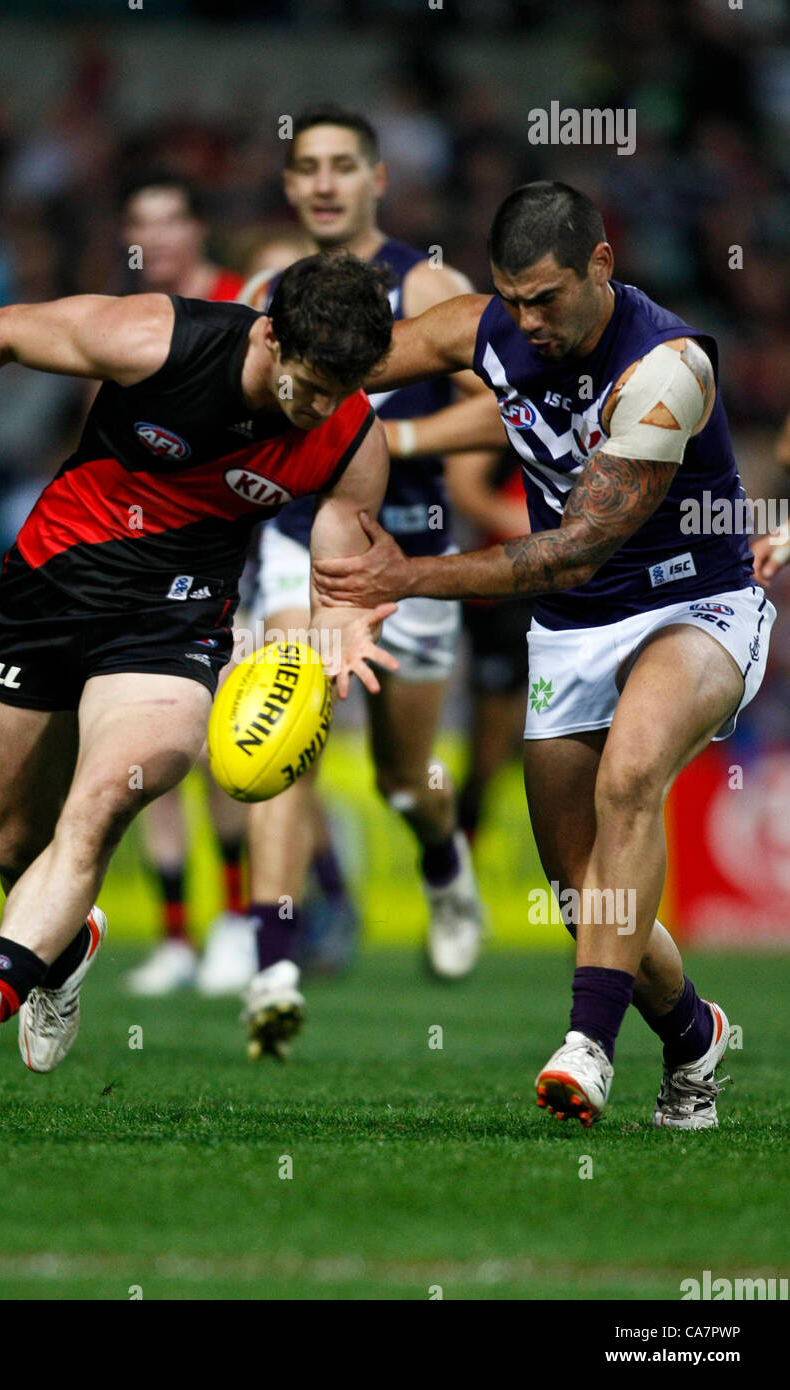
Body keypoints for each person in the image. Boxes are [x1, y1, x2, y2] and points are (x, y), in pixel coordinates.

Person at [0, 252, 400, 1109]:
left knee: (101, 803)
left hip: (176, 627)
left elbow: (333, 576)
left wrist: (328, 644)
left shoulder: (349, 442)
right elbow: (2, 332)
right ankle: (64, 953)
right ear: (269, 335)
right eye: (308, 386)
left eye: (342, 390)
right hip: (48, 588)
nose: (321, 409)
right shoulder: (156, 339)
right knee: (13, 842)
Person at [313, 181, 777, 1129]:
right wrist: (261, 376)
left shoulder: (667, 366)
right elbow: (342, 371)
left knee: (629, 779)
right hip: (572, 630)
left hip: (694, 602)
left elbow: (570, 548)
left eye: (545, 299)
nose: (526, 322)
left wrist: (404, 578)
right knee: (585, 895)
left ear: (600, 267)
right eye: (510, 299)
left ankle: (585, 1047)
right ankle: (693, 1040)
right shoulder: (485, 326)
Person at [238, 105, 500, 1006]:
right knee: (286, 737)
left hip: (407, 552)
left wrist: (394, 438)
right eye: (305, 166)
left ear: (377, 179)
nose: (322, 183)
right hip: (292, 536)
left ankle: (441, 853)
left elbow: (510, 402)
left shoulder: (429, 287)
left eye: (341, 165)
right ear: (287, 184)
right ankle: (272, 964)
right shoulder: (266, 290)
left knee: (401, 778)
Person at [118, 171, 252, 997]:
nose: (155, 238)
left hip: (244, 552)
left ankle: (237, 921)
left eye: (169, 220)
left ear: (197, 230)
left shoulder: (247, 304)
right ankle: (174, 936)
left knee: (225, 748)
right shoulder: (127, 324)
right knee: (145, 746)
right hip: (149, 556)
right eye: (141, 222)